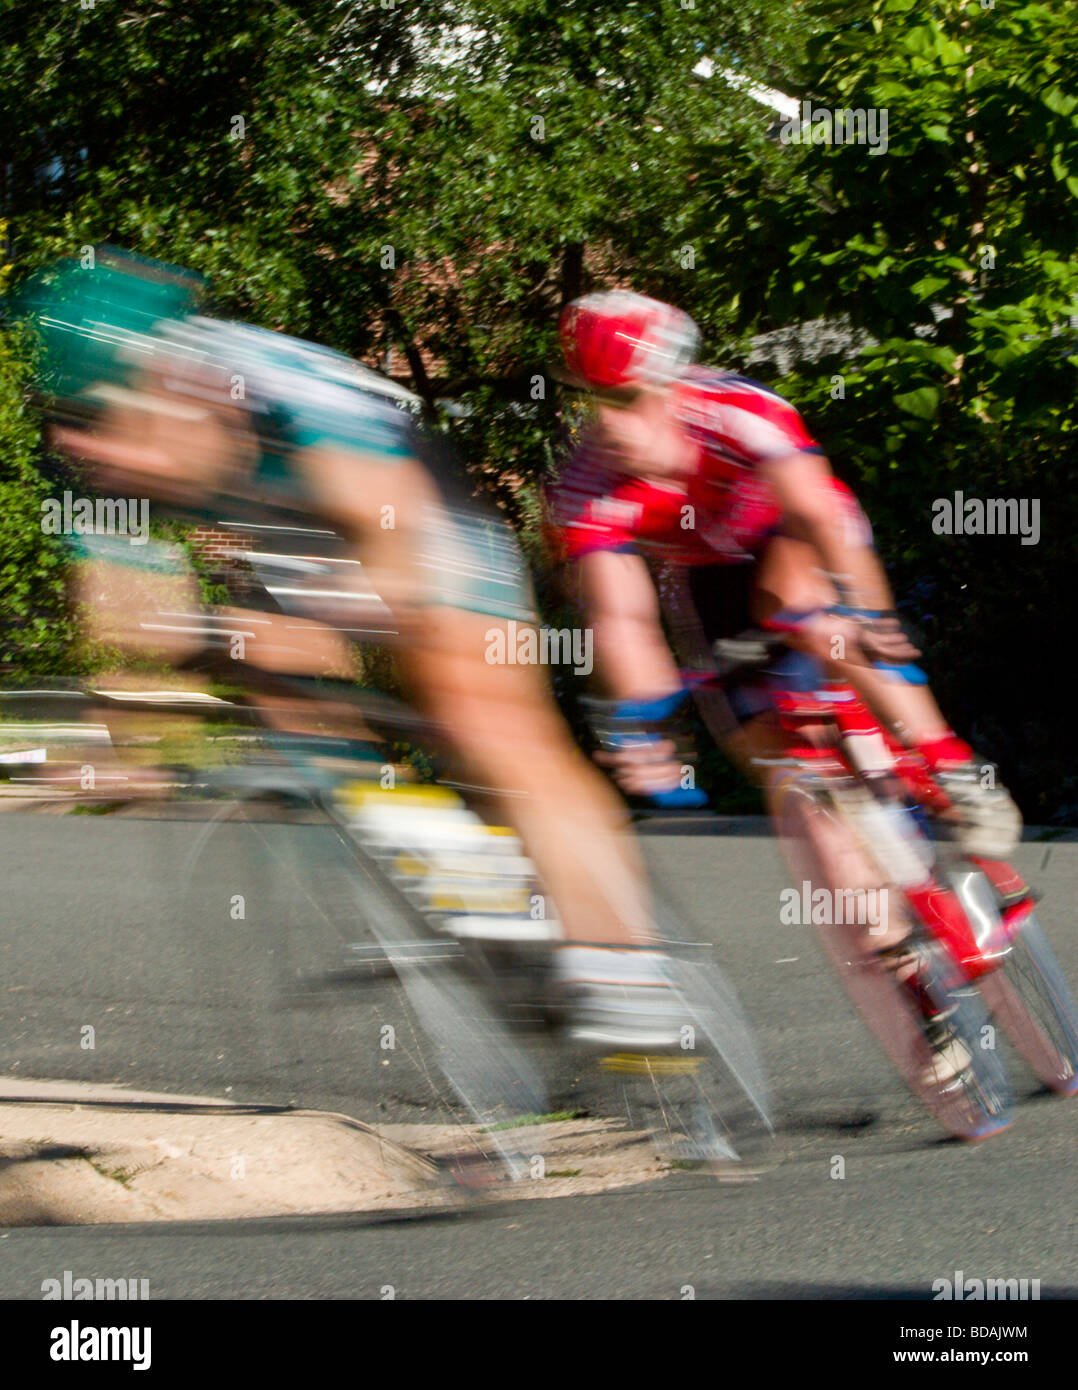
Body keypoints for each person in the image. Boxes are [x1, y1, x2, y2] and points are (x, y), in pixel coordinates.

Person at [12, 252, 697, 1052]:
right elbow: (122, 630)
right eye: (64, 417)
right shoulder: (91, 458)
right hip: (288, 534)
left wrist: (286, 632)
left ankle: (622, 962)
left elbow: (400, 564)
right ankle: (465, 875)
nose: (83, 446)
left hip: (407, 513)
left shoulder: (268, 399)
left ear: (166, 384)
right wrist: (126, 743)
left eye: (99, 417)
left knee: (480, 712)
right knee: (256, 674)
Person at [547, 289, 1023, 1077]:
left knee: (808, 615)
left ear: (673, 384)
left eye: (630, 399)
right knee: (785, 775)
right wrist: (639, 724)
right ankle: (917, 992)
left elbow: (818, 516)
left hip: (793, 534)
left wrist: (866, 613)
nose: (614, 426)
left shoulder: (736, 414)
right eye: (596, 403)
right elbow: (622, 620)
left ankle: (947, 761)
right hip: (707, 577)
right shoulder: (586, 487)